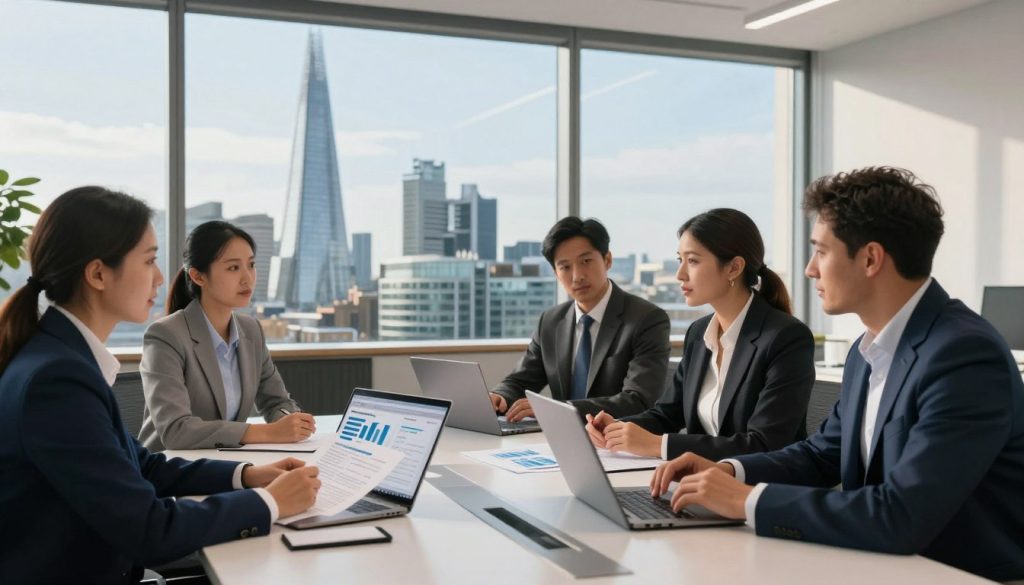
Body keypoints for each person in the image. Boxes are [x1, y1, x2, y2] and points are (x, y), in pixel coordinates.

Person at [650, 167, 1024, 582]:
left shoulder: (963, 355)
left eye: (821, 251)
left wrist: (747, 501)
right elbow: (822, 454)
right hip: (878, 562)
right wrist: (731, 471)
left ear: (870, 259)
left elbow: (901, 514)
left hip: (956, 574)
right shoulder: (868, 351)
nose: (810, 269)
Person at [0, 187, 320, 584]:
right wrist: (270, 502)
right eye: (149, 260)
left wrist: (247, 475)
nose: (161, 277)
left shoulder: (63, 359)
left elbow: (144, 465)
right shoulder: (58, 380)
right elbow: (150, 530)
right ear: (98, 273)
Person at [586, 209, 814, 460]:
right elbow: (667, 415)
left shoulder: (786, 338)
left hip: (756, 489)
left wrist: (659, 446)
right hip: (699, 482)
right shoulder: (699, 333)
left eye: (692, 261)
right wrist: (616, 427)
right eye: (680, 259)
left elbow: (764, 444)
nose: (680, 274)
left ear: (734, 268)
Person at [139, 221, 314, 450]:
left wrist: (289, 421)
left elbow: (276, 401)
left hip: (225, 463)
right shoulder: (166, 335)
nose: (247, 278)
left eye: (251, 265)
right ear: (199, 277)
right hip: (169, 469)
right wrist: (266, 432)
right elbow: (176, 430)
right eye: (233, 268)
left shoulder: (251, 330)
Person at [489, 216, 670, 421]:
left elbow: (637, 399)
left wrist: (554, 409)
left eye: (586, 261)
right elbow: (520, 381)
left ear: (607, 260)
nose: (577, 276)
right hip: (560, 440)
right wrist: (500, 395)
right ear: (556, 273)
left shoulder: (646, 319)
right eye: (565, 267)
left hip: (618, 442)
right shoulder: (550, 321)